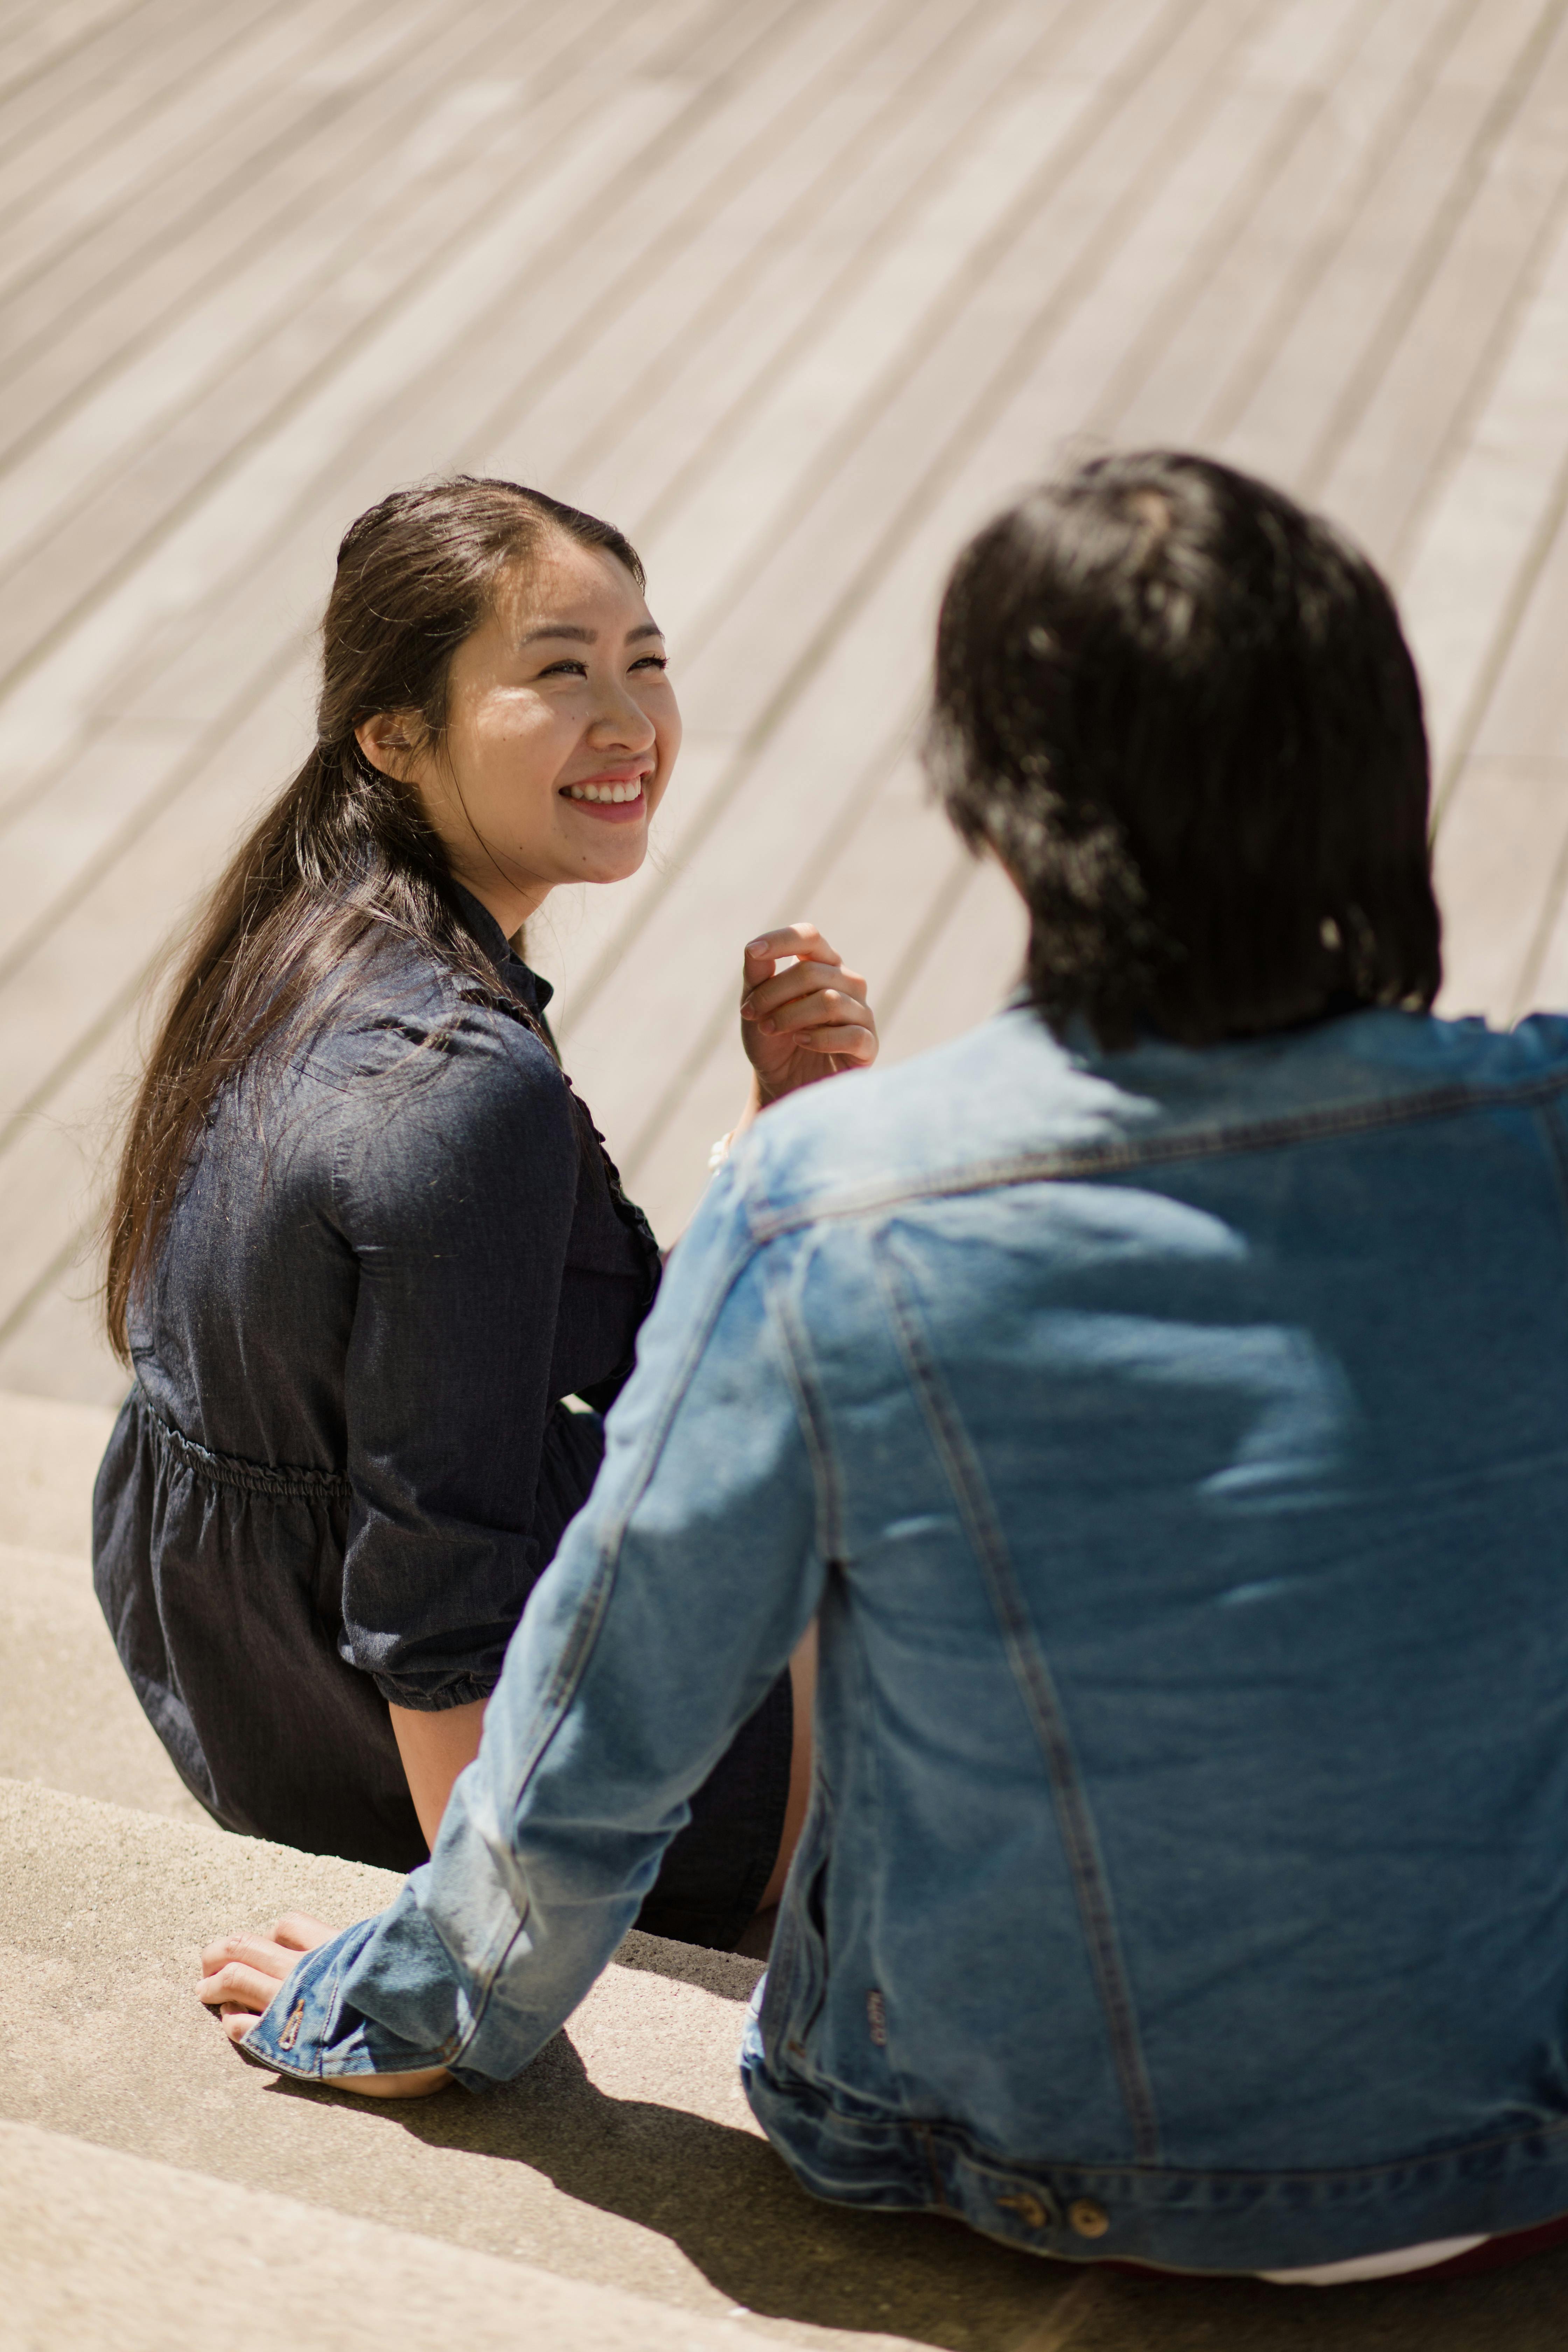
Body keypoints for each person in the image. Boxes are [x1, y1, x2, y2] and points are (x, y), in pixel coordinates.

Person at [200, 450, 1568, 2280]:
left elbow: (613, 1720)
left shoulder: (826, 1208)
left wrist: (416, 2001)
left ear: (999, 818)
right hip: (1517, 2126)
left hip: (1024, 2150)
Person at [95, 475, 877, 1951]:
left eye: (645, 661)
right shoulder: (458, 1084)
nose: (631, 724)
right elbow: (434, 1599)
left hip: (248, 1678)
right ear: (394, 738)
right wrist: (448, 1972)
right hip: (398, 1743)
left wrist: (773, 1134)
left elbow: (566, 1366)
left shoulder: (316, 935)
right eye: (558, 674)